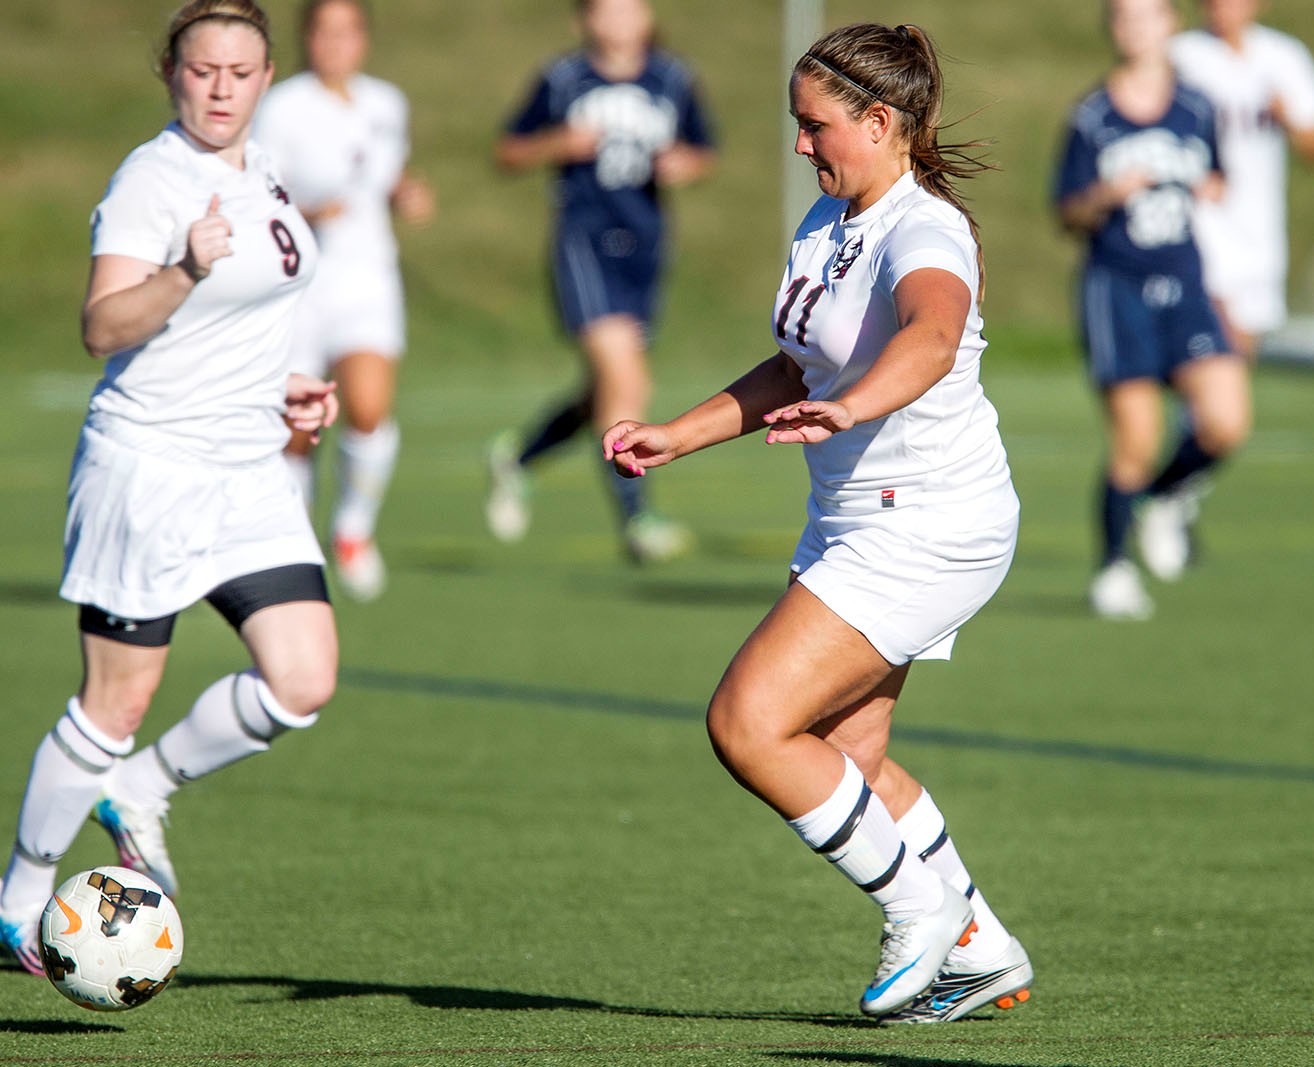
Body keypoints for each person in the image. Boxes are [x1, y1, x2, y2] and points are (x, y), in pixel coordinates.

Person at [602, 23, 1032, 1022]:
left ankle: (919, 906)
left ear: (880, 124)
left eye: (815, 126)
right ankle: (980, 945)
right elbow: (798, 365)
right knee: (849, 757)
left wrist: (856, 404)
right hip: (858, 520)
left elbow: (928, 335)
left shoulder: (921, 230)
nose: (801, 146)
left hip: (927, 522)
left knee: (748, 722)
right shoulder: (828, 222)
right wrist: (680, 434)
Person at [0, 0, 338, 975]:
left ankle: (141, 789)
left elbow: (242, 322)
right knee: (116, 700)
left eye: (240, 71)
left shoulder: (260, 165)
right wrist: (184, 267)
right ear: (171, 73)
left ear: (266, 76)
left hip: (247, 466)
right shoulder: (152, 180)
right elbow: (104, 327)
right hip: (149, 466)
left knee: (304, 676)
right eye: (202, 71)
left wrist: (282, 391)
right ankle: (21, 895)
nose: (221, 88)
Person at [485, 0, 715, 564]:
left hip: (646, 246)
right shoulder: (563, 78)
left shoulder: (673, 78)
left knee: (606, 394)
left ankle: (520, 458)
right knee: (628, 380)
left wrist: (684, 163)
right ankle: (639, 520)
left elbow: (702, 150)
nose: (617, 20)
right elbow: (508, 150)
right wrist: (555, 145)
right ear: (583, 20)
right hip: (584, 243)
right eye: (604, 10)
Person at [1054, 0, 1250, 620]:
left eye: (1148, 15)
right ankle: (1113, 568)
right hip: (1117, 288)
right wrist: (1107, 194)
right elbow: (1067, 213)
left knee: (1225, 421)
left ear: (1170, 24)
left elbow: (1218, 177)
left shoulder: (1196, 106)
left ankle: (1164, 499)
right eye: (1123, 17)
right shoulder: (1092, 118)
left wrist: (1206, 186)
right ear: (1112, 28)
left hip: (1184, 282)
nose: (1135, 27)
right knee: (1137, 438)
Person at [253, 0, 436, 602]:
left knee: (367, 408)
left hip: (367, 280)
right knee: (296, 430)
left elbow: (383, 179)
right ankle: (291, 545)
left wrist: (405, 195)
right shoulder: (282, 106)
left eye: (346, 31)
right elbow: (255, 191)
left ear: (363, 39)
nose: (334, 43)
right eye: (323, 31)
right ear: (307, 39)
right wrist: (304, 212)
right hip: (298, 285)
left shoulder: (386, 103)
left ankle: (353, 531)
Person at [1151, 0, 1314, 578]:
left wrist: (1290, 120)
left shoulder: (1283, 57)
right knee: (1219, 381)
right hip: (1199, 239)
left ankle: (1177, 489)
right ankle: (1166, 499)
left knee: (1228, 381)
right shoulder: (1182, 56)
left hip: (1258, 241)